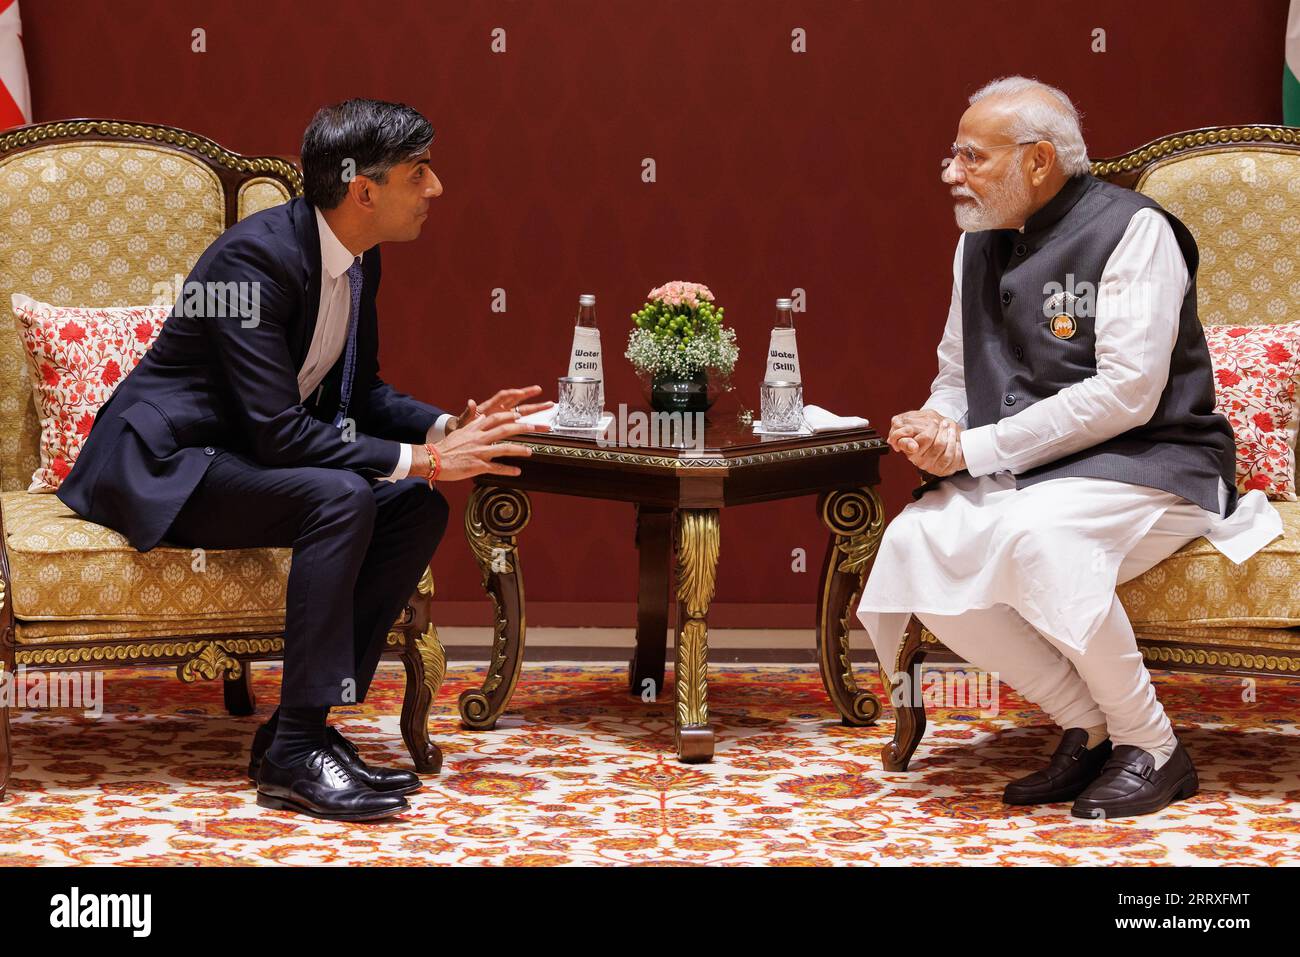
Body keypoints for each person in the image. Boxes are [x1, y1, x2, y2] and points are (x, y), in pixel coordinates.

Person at [58, 98, 551, 822]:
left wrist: (453, 425)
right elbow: (277, 434)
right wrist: (429, 457)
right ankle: (294, 753)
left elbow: (364, 391)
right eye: (420, 173)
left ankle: (304, 730)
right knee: (342, 495)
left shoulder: (357, 259)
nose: (436, 189)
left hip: (239, 455)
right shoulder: (254, 260)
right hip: (164, 463)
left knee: (414, 505)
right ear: (365, 191)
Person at [857, 76, 1283, 819]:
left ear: (1039, 160)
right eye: (952, 155)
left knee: (1037, 537)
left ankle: (1154, 746)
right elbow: (958, 372)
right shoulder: (975, 245)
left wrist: (977, 447)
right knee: (917, 541)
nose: (949, 172)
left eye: (970, 156)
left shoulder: (1135, 231)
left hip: (1158, 463)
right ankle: (1085, 724)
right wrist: (937, 421)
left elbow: (1128, 392)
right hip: (1034, 468)